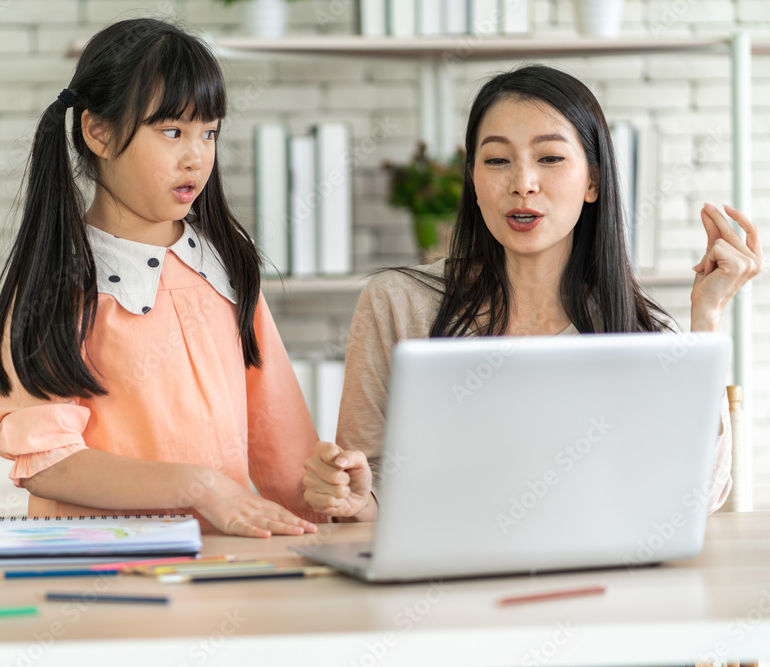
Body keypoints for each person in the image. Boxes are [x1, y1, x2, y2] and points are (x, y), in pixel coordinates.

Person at [303, 64, 762, 521]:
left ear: (593, 181)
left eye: (550, 158)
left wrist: (708, 315)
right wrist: (355, 500)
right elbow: (372, 498)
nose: (522, 183)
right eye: (497, 160)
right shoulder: (397, 303)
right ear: (473, 180)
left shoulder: (641, 333)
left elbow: (695, 497)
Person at [0, 18, 321, 538]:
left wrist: (337, 492)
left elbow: (285, 447)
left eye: (209, 132)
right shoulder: (56, 283)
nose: (196, 156)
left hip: (219, 566)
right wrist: (199, 486)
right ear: (98, 132)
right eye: (172, 132)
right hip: (94, 568)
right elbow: (48, 462)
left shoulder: (225, 265)